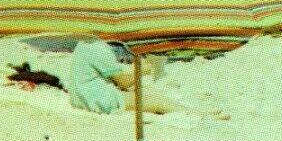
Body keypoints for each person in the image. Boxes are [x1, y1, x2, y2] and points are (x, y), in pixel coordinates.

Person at [67, 40, 213, 117]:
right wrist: (144, 69)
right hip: (98, 100)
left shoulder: (85, 44)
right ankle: (198, 113)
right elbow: (123, 82)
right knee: (155, 102)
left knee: (146, 93)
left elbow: (111, 76)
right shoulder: (98, 48)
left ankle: (190, 110)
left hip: (81, 95)